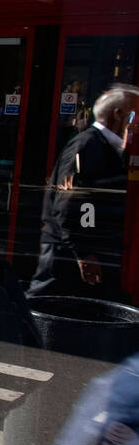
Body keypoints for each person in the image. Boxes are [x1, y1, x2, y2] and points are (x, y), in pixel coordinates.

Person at [28, 85, 137, 303]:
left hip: (81, 255)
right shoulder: (89, 144)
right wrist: (84, 252)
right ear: (118, 115)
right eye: (134, 114)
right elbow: (76, 202)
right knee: (52, 310)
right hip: (67, 258)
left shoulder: (104, 146)